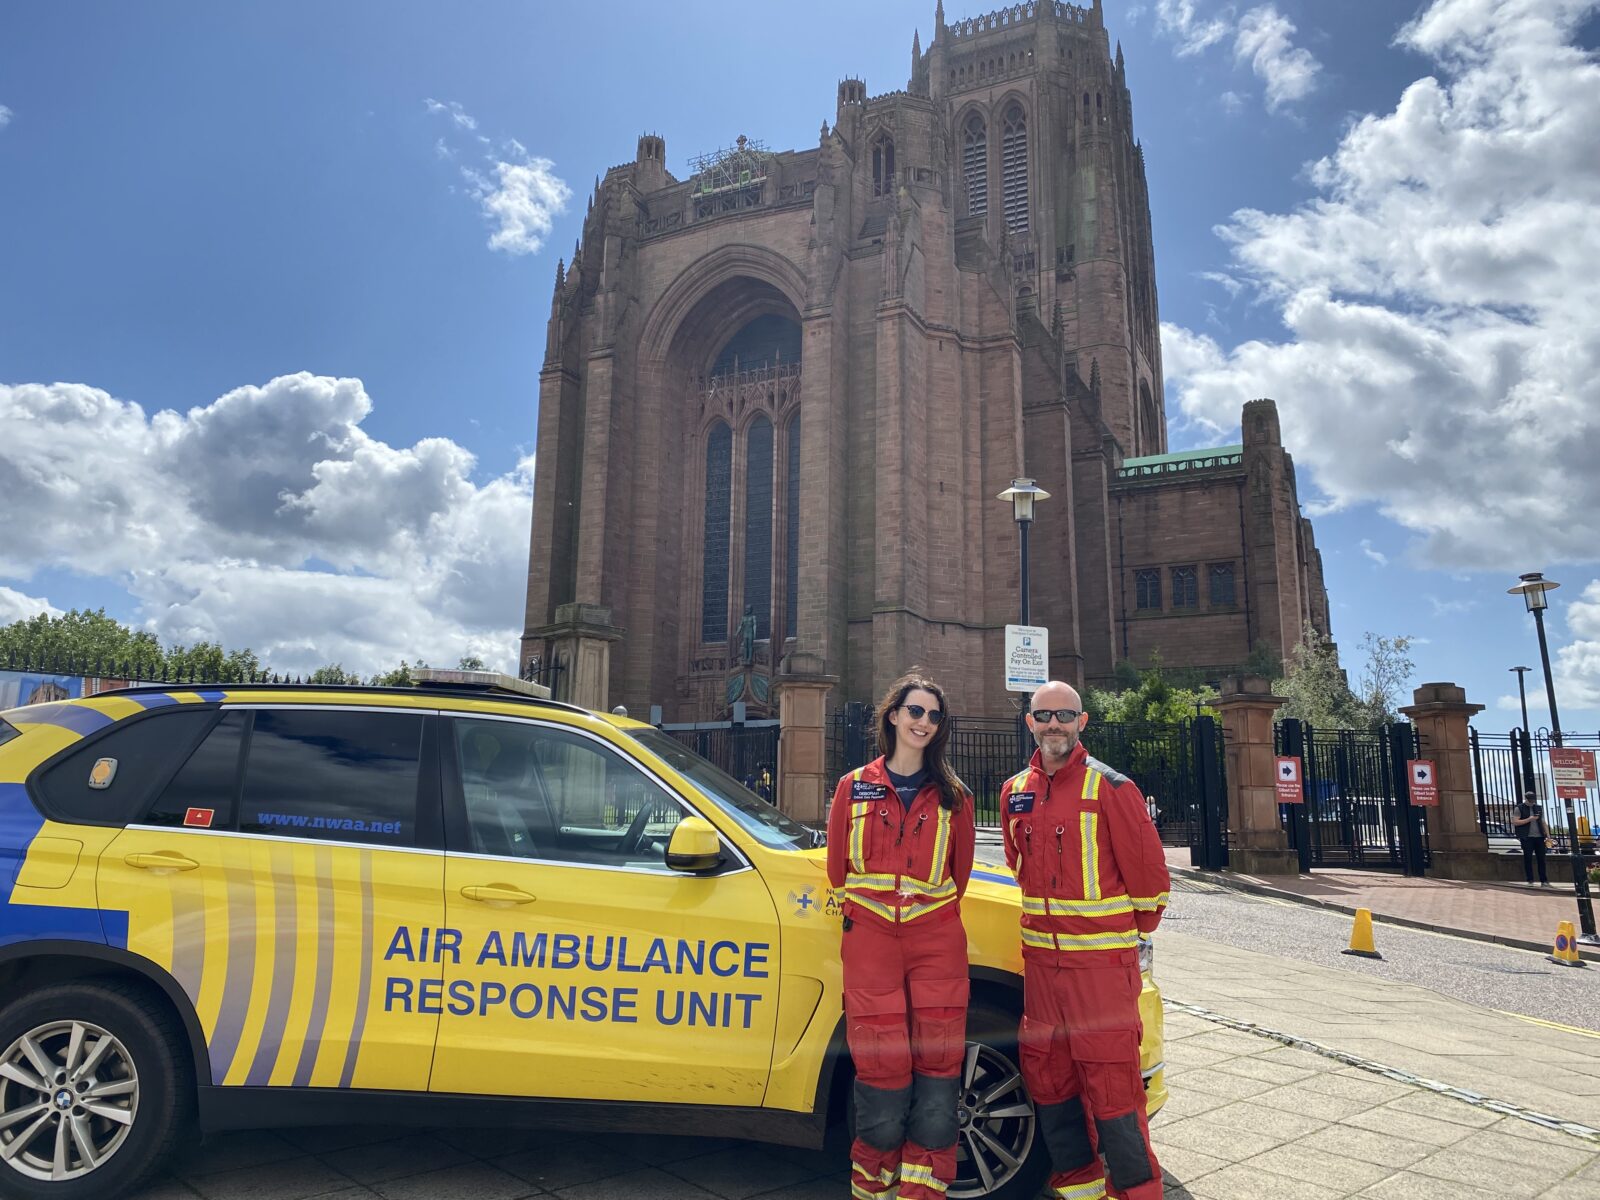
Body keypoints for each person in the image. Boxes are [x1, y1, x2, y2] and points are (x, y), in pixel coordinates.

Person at [1002, 680, 1170, 1200]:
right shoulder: (1014, 791)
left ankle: (1137, 1193)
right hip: (1041, 971)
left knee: (1113, 1090)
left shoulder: (1112, 788)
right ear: (1030, 722)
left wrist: (1115, 937)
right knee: (1049, 1080)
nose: (1054, 724)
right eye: (1044, 715)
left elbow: (1149, 883)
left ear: (1082, 722)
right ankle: (1080, 1187)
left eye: (1064, 715)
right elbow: (1017, 864)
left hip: (1099, 971)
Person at [826, 673, 977, 1200]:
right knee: (880, 1061)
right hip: (869, 938)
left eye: (934, 716)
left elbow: (958, 876)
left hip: (936, 938)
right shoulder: (854, 785)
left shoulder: (955, 796)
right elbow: (837, 868)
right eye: (916, 712)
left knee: (938, 1063)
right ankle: (873, 1186)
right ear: (893, 715)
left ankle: (922, 1191)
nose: (924, 723)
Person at [1513, 789, 1551, 887]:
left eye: (1533, 799)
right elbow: (1515, 822)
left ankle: (1544, 880)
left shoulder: (1538, 808)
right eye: (1531, 800)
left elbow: (1543, 821)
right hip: (1527, 837)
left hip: (1539, 837)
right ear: (1526, 799)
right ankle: (1530, 880)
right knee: (1528, 858)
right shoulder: (1519, 808)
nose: (1532, 801)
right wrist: (1529, 819)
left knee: (1541, 859)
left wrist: (1548, 836)